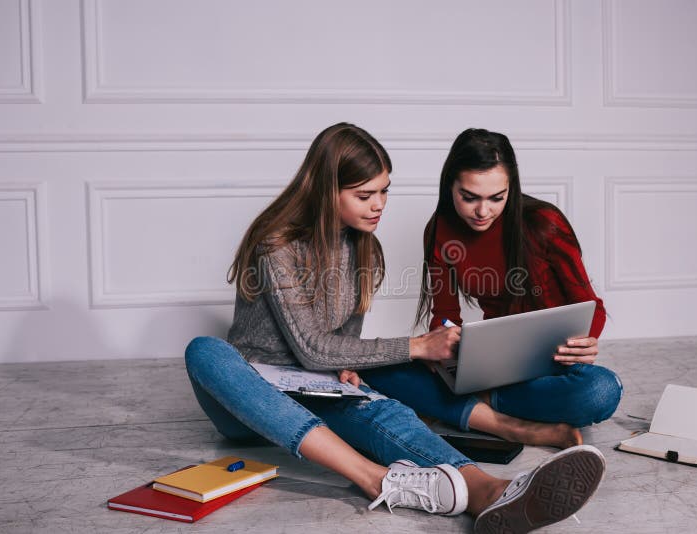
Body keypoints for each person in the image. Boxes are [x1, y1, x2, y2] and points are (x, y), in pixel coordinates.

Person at [184, 123, 606, 532]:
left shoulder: (363, 245)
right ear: (324, 191)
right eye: (365, 194)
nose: (379, 204)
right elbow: (313, 347)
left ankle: (487, 491)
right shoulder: (276, 246)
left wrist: (345, 372)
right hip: (248, 398)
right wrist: (417, 346)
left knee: (383, 406)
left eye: (384, 190)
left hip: (313, 388)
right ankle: (377, 479)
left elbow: (340, 343)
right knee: (205, 350)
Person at [361, 128, 622, 449]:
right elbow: (444, 315)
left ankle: (472, 405)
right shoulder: (440, 229)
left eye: (497, 198)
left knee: (602, 391)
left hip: (553, 366)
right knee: (377, 371)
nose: (483, 211)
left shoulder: (544, 223)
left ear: (511, 189)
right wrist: (444, 348)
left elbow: (590, 305)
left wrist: (586, 341)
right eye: (469, 197)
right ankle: (504, 420)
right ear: (450, 186)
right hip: (493, 364)